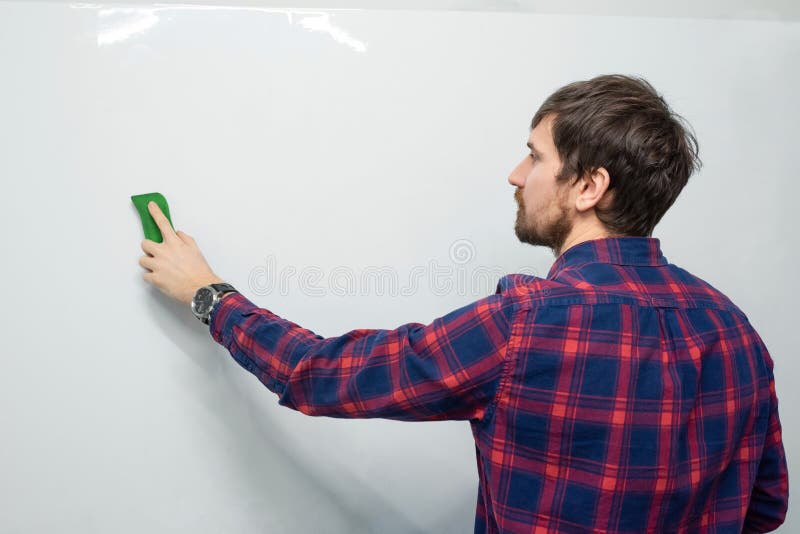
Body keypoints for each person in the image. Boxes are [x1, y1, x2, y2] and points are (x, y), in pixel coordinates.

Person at [138, 74, 789, 533]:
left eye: (534, 157)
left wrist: (209, 294)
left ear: (589, 186)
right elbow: (765, 508)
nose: (515, 175)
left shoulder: (526, 325)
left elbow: (321, 376)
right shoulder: (733, 330)